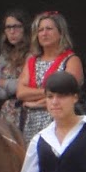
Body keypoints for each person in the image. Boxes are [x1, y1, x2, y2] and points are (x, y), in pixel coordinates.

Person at [16, 11, 82, 139]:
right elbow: (21, 92)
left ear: (61, 33)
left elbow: (67, 94)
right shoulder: (32, 61)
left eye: (49, 29)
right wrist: (50, 94)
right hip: (30, 126)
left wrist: (34, 103)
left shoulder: (72, 60)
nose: (44, 33)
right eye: (40, 30)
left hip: (60, 125)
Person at [0, 10, 30, 128]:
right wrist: (15, 87)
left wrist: (5, 83)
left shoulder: (33, 54)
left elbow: (31, 85)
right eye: (8, 27)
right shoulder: (4, 56)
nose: (12, 31)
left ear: (25, 28)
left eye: (16, 27)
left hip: (28, 111)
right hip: (8, 113)